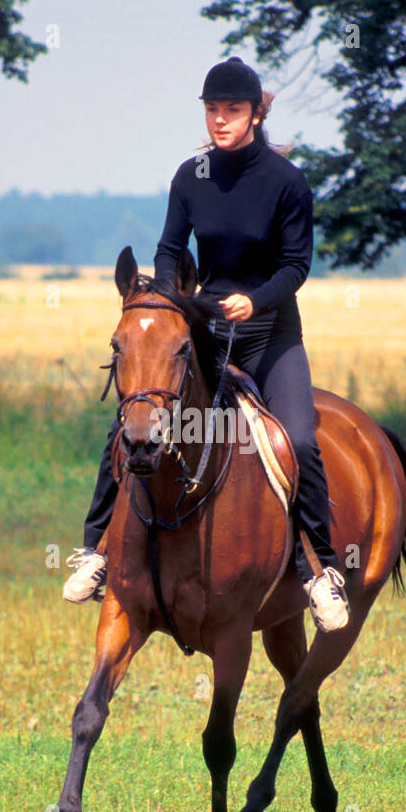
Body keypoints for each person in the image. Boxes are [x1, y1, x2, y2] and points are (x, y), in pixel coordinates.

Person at [63, 56, 350, 632]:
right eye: (213, 109)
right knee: (135, 418)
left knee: (299, 438)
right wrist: (171, 302)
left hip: (271, 334)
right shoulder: (188, 177)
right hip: (205, 328)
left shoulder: (286, 182)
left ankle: (320, 574)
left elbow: (298, 264)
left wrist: (258, 299)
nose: (221, 119)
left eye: (233, 110)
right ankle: (95, 550)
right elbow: (169, 249)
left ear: (255, 114)